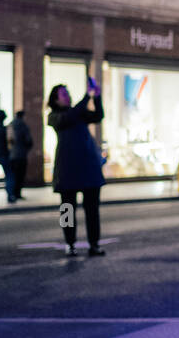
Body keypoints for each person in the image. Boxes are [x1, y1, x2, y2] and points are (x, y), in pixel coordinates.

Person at [47, 81, 106, 257]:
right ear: (55, 100)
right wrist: (87, 96)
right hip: (67, 170)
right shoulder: (55, 117)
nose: (68, 96)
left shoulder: (78, 113)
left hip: (88, 168)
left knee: (92, 210)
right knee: (67, 210)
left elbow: (98, 116)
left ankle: (94, 244)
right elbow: (70, 116)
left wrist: (97, 97)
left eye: (68, 92)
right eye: (64, 94)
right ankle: (70, 243)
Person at [8, 109, 33, 201]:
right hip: (21, 154)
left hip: (11, 154)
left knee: (13, 175)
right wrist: (27, 149)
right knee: (20, 175)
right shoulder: (23, 126)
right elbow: (28, 140)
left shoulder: (10, 125)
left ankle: (11, 193)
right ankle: (17, 193)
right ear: (23, 116)